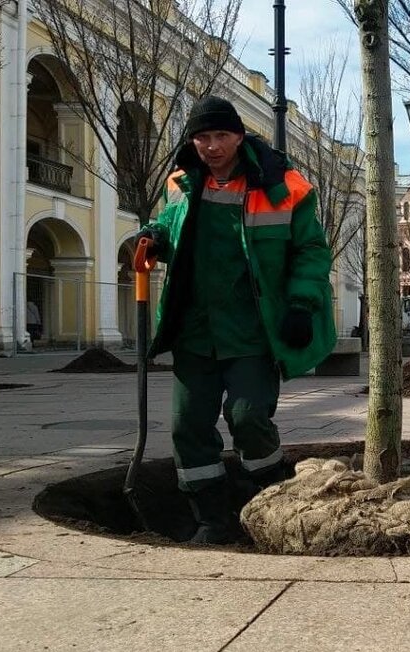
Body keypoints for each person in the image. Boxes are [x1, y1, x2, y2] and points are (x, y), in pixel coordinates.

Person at [137, 95, 336, 543]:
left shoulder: (284, 186)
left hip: (252, 330)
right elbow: (170, 226)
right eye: (202, 137)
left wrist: (302, 305)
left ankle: (268, 504)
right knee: (187, 425)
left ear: (239, 136)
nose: (211, 145)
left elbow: (310, 250)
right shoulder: (182, 182)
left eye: (221, 135)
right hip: (195, 330)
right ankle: (212, 520)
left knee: (247, 418)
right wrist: (152, 237)